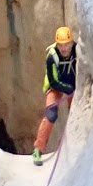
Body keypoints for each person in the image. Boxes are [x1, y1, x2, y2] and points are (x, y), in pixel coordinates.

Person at [32, 25, 77, 164]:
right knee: (51, 114)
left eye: (66, 45)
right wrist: (68, 88)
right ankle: (38, 149)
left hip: (73, 85)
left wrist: (73, 88)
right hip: (56, 86)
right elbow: (53, 81)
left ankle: (71, 144)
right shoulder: (52, 56)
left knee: (75, 112)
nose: (64, 48)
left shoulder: (77, 50)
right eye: (61, 45)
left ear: (71, 43)